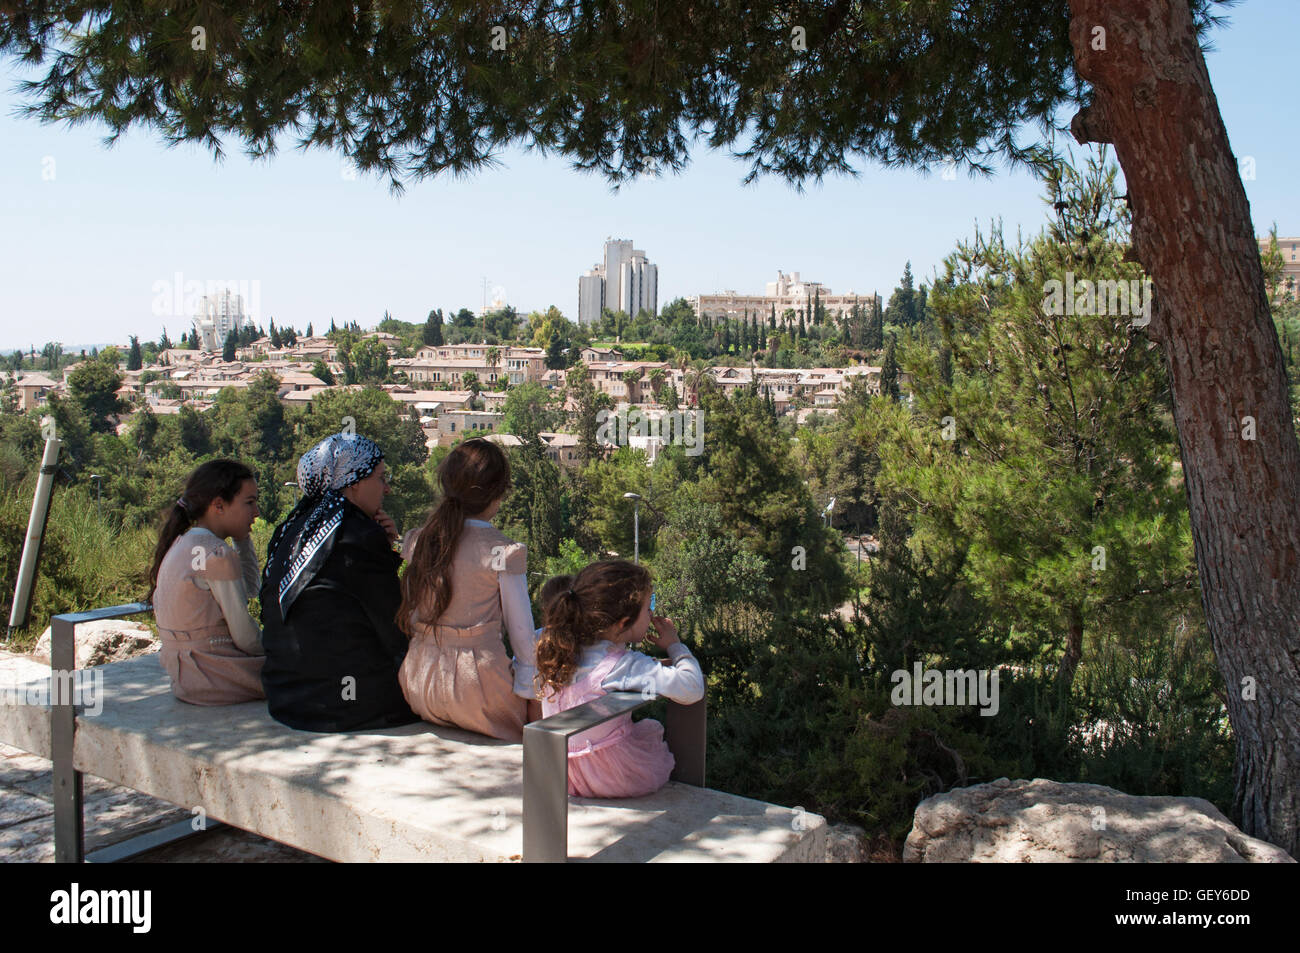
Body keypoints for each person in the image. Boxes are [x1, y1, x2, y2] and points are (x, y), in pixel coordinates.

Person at [259, 432, 418, 732]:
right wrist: (391, 551)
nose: (387, 488)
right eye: (381, 477)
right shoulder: (357, 535)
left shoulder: (292, 529)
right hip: (342, 707)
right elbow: (397, 626)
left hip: (285, 697)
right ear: (354, 481)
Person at [397, 438, 536, 742]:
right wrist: (529, 693)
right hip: (480, 693)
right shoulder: (504, 551)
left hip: (420, 683)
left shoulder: (419, 542)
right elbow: (523, 639)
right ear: (500, 492)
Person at [535, 560, 704, 798]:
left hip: (558, 771)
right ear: (624, 622)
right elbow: (692, 687)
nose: (652, 614)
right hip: (608, 775)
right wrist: (676, 647)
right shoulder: (624, 665)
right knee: (652, 732)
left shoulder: (559, 648)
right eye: (648, 607)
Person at [147, 460, 266, 705]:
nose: (257, 513)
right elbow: (247, 639)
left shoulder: (183, 543)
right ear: (219, 505)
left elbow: (250, 589)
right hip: (217, 676)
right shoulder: (216, 555)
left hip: (187, 678)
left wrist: (242, 538)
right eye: (250, 503)